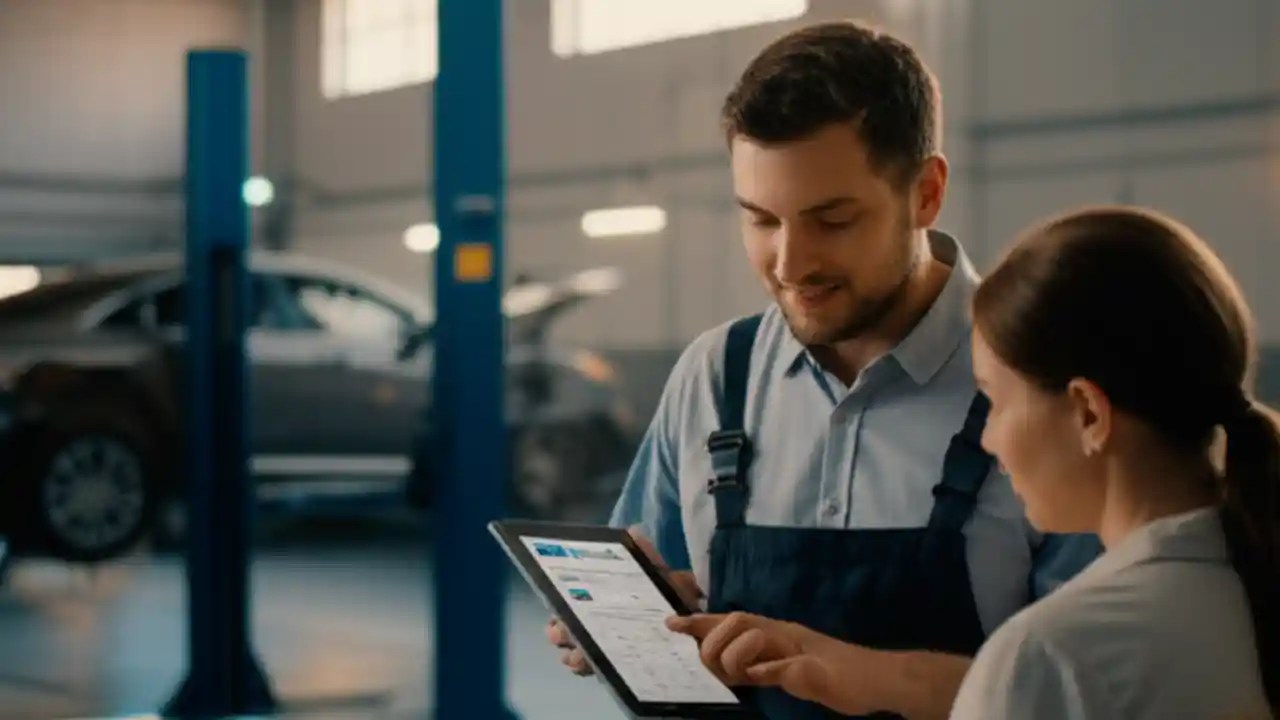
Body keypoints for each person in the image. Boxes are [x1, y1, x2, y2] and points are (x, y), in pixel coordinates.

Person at [545, 19, 1101, 720]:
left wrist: (866, 674)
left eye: (832, 221)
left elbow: (1096, 693)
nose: (789, 263)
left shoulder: (1047, 380)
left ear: (926, 192)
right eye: (761, 219)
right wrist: (631, 626)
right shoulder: (713, 378)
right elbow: (662, 613)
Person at [668, 206, 1279, 719]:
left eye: (996, 402)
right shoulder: (1244, 593)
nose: (987, 440)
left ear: (1089, 414)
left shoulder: (1048, 659)